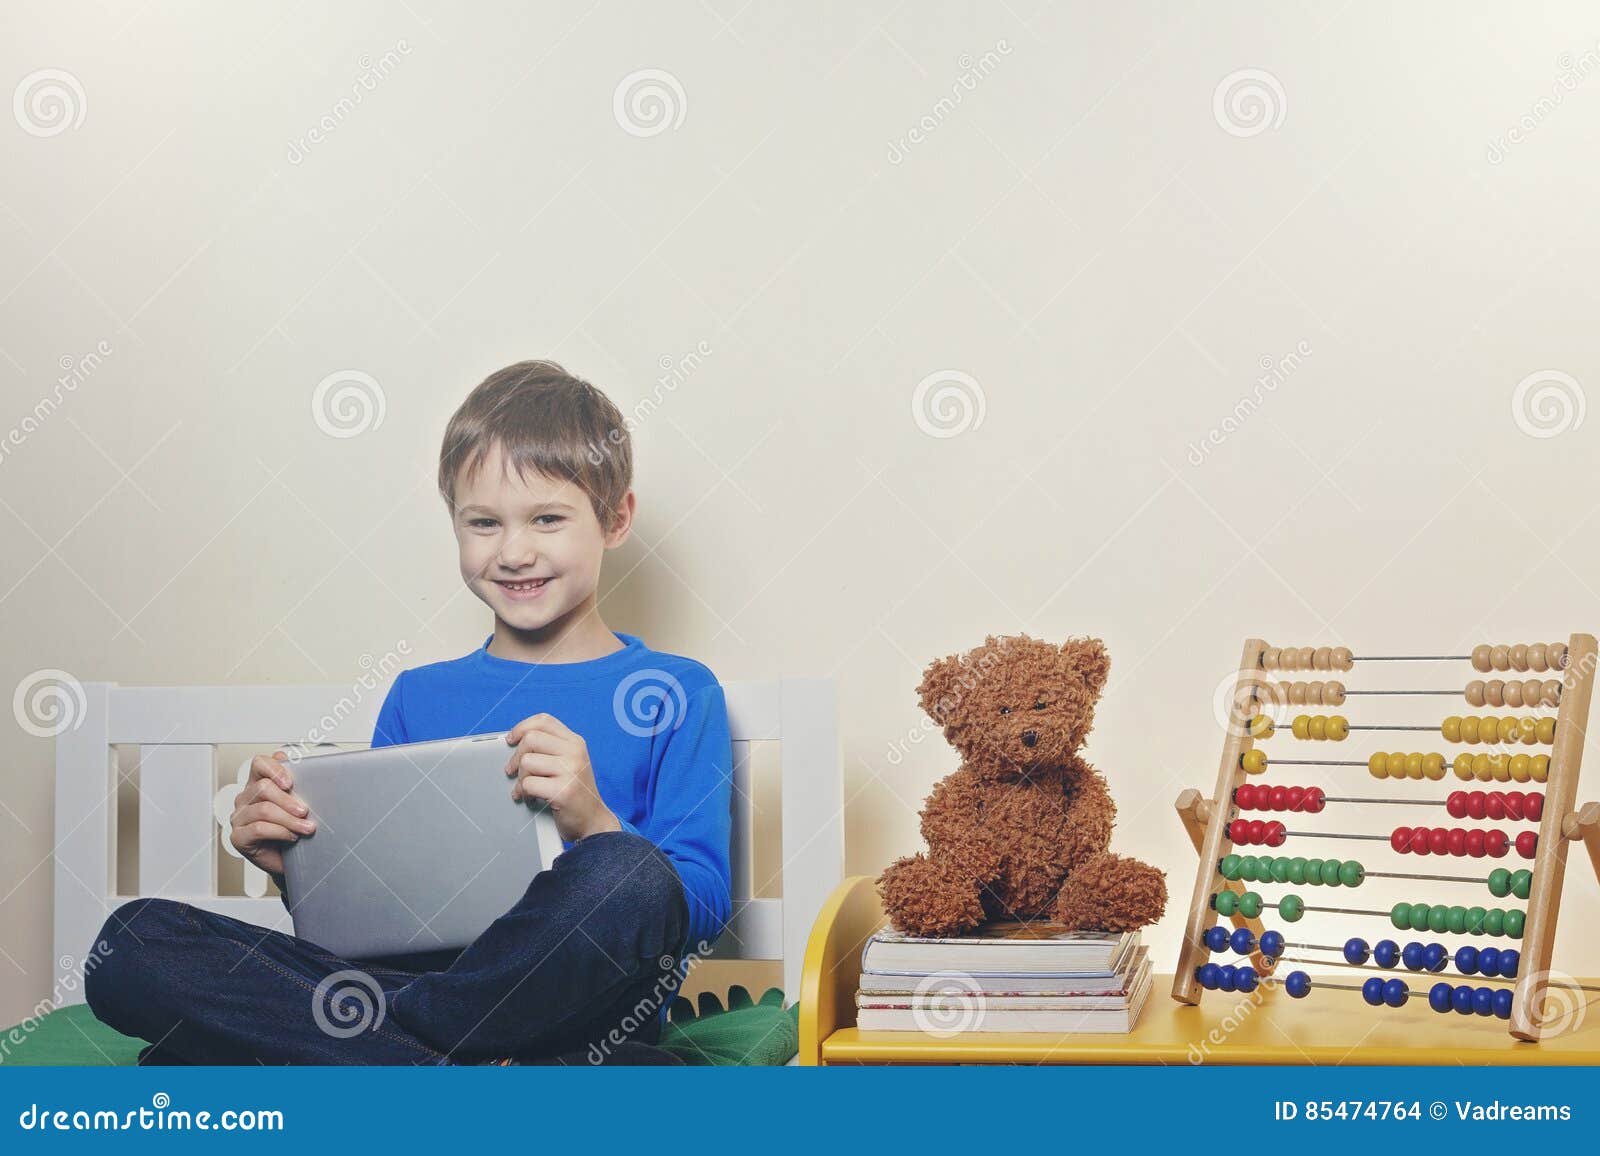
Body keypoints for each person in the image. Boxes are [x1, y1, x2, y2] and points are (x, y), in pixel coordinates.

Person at [85, 361, 733, 1065]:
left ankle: (390, 1050)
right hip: (403, 984)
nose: (514, 551)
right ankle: (464, 1064)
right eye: (483, 523)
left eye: (547, 518)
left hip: (582, 1012)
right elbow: (360, 928)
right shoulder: (416, 696)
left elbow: (694, 907)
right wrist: (292, 868)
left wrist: (595, 823)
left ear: (615, 520)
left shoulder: (678, 690)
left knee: (630, 873)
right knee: (134, 940)